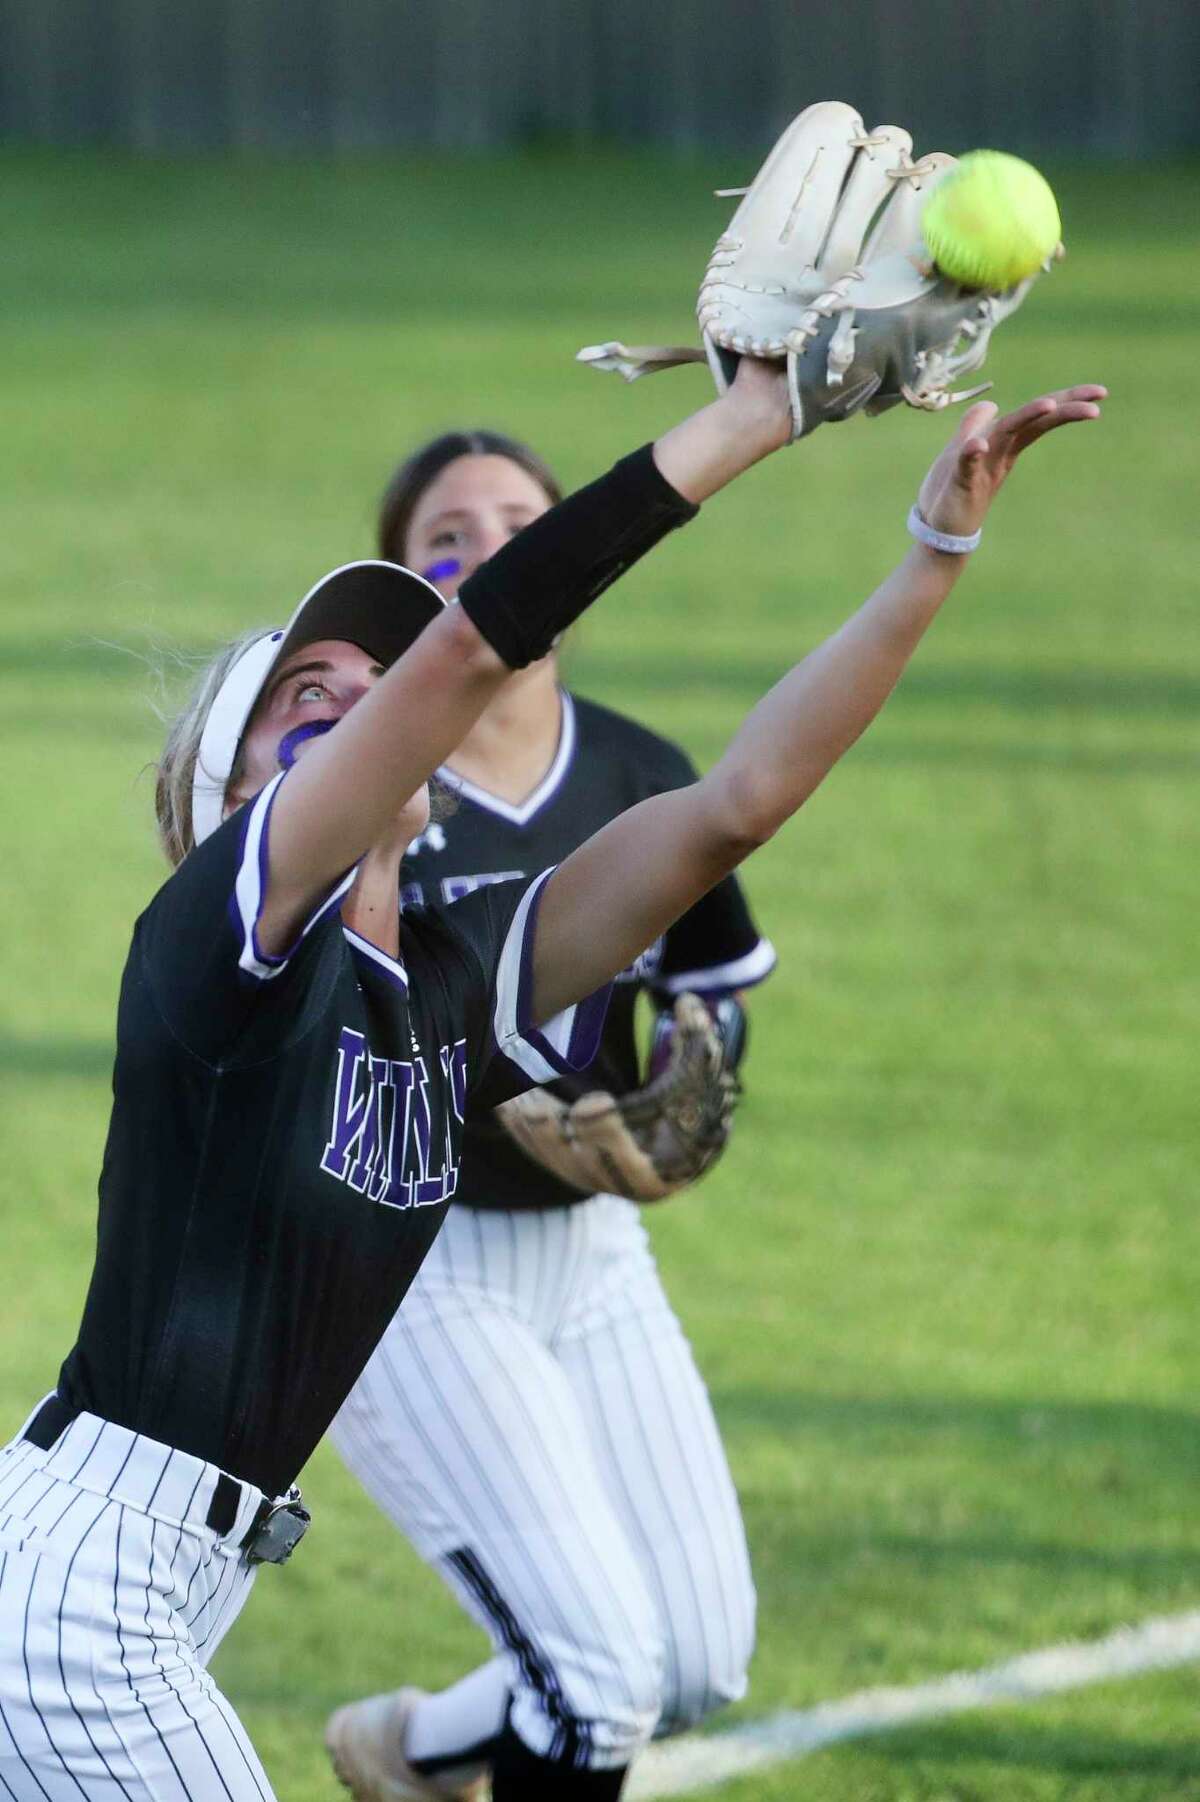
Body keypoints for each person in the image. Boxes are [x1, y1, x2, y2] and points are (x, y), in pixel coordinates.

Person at [0, 358, 1104, 1802]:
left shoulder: (448, 984)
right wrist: (752, 419)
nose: (361, 700)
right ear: (230, 803)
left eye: (373, 685)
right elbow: (467, 653)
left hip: (167, 1577)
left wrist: (933, 554)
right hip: (81, 1595)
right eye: (301, 700)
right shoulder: (226, 947)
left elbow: (731, 808)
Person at [325, 428, 777, 1802]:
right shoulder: (360, 791)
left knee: (693, 1663)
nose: (492, 547)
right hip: (414, 1273)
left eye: (522, 519)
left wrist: (689, 1084)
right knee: (597, 1678)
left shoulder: (637, 768)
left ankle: (410, 1746)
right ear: (405, 584)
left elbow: (710, 982)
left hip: (592, 1262)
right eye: (446, 534)